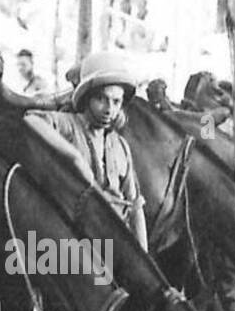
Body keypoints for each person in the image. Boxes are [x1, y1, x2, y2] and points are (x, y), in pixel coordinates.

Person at [30, 50, 148, 251]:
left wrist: (143, 258)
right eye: (101, 99)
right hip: (75, 242)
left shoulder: (120, 146)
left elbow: (135, 207)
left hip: (116, 242)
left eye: (116, 101)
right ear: (86, 98)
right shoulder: (68, 125)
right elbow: (31, 119)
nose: (109, 108)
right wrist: (74, 156)